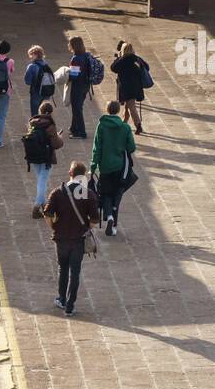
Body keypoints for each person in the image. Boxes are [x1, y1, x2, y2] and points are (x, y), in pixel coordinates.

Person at [43, 160, 99, 317]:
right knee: (75, 271)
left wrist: (53, 227)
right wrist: (86, 227)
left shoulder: (57, 192)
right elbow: (94, 220)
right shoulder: (89, 194)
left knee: (62, 268)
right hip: (78, 240)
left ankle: (61, 298)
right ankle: (70, 305)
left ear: (70, 173)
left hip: (61, 239)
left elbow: (47, 214)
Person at [91, 99, 136, 237]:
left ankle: (109, 215)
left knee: (105, 194)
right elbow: (132, 147)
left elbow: (96, 148)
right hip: (120, 167)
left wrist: (93, 166)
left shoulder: (101, 126)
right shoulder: (125, 127)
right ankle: (114, 221)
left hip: (104, 166)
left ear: (107, 109)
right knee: (118, 192)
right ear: (118, 111)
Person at [24, 99, 63, 217]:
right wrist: (60, 137)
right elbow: (56, 144)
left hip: (34, 156)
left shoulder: (32, 122)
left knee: (40, 180)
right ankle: (37, 206)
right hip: (46, 157)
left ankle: (44, 205)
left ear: (40, 111)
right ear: (51, 113)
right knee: (43, 181)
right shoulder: (50, 125)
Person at [110, 40, 148, 134]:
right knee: (128, 106)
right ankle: (124, 123)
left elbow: (113, 68)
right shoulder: (137, 59)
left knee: (131, 107)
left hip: (126, 88)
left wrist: (118, 58)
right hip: (136, 87)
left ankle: (138, 125)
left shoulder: (122, 60)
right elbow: (146, 67)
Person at [67, 36, 90, 139]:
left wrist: (66, 73)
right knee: (78, 107)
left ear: (73, 45)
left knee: (77, 109)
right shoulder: (86, 55)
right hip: (85, 85)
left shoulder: (76, 58)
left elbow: (74, 75)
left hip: (78, 86)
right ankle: (73, 128)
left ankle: (81, 132)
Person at [24, 45, 56, 117]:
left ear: (34, 55)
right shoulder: (46, 65)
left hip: (36, 92)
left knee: (35, 114)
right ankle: (45, 126)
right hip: (47, 91)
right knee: (45, 112)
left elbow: (27, 81)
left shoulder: (32, 66)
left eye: (31, 55)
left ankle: (35, 127)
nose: (30, 57)